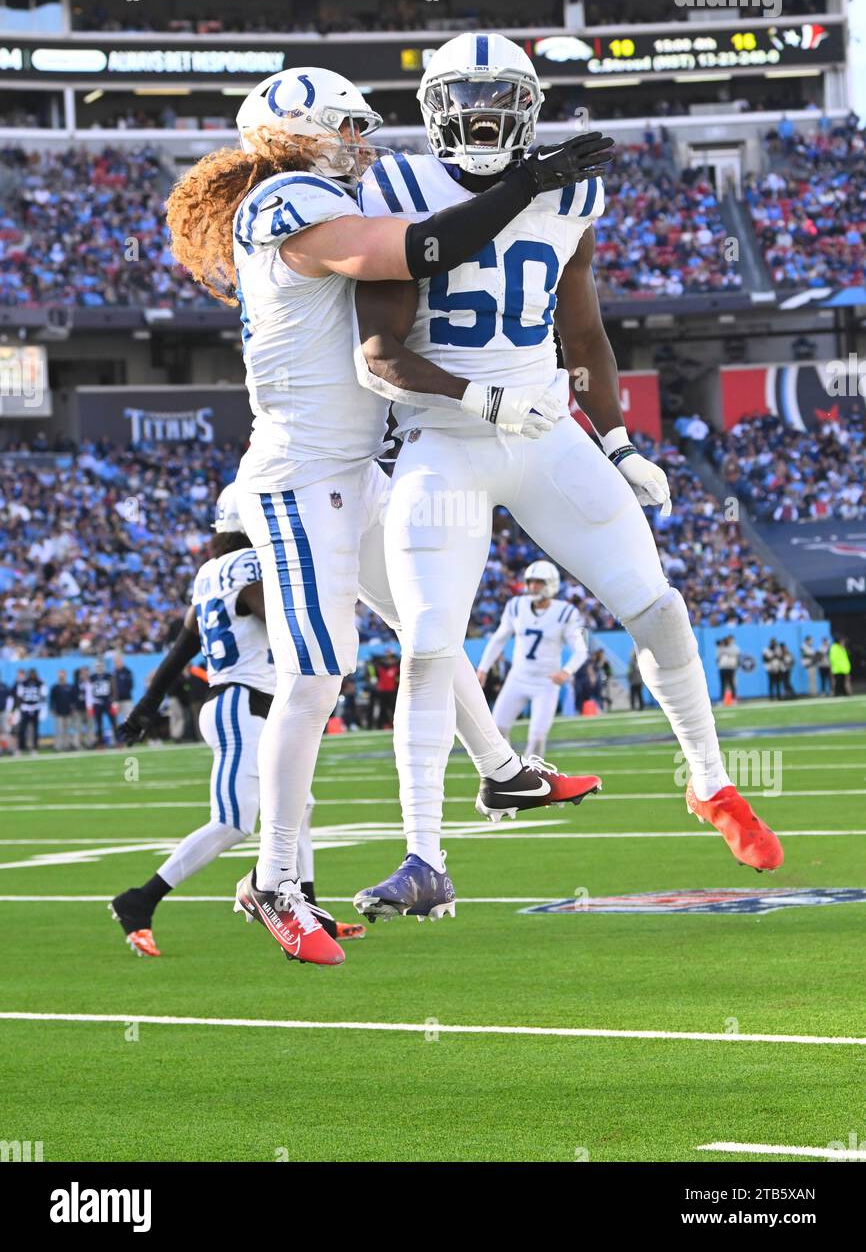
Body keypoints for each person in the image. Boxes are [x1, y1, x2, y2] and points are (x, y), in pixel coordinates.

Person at [165, 64, 610, 964]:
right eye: (348, 127)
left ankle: (504, 770)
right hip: (298, 474)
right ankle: (277, 881)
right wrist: (526, 182)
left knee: (426, 631)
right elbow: (418, 251)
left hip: (353, 466)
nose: (363, 143)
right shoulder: (286, 197)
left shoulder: (312, 191)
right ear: (297, 133)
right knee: (316, 678)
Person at [350, 32, 783, 923]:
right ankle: (425, 856)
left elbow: (583, 336)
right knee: (431, 646)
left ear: (527, 107)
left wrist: (619, 442)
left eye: (497, 99)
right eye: (462, 100)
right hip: (445, 437)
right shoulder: (393, 187)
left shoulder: (572, 189)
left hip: (548, 431)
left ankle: (710, 783)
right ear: (432, 108)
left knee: (659, 604)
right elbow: (380, 355)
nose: (478, 117)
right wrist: (482, 399)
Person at [109, 484, 364, 958]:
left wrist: (147, 706)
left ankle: (306, 910)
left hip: (256, 705)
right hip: (239, 705)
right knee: (233, 821)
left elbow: (182, 648)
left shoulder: (210, 572)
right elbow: (282, 619)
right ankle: (138, 902)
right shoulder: (250, 567)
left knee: (298, 808)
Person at [476, 561, 593, 766]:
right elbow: (499, 638)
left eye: (539, 582)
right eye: (530, 582)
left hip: (546, 683)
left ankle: (534, 780)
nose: (533, 587)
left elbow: (581, 650)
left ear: (551, 584)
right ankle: (507, 773)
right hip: (518, 678)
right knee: (497, 729)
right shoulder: (516, 606)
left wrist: (567, 671)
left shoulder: (565, 612)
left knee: (538, 737)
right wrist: (483, 668)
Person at [15, 668, 45, 754]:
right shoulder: (23, 683)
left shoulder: (40, 683)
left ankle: (34, 748)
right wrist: (19, 708)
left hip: (36, 707)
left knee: (35, 730)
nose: (32, 675)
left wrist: (42, 708)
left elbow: (43, 696)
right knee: (22, 729)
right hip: (25, 707)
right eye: (31, 673)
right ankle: (20, 748)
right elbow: (19, 696)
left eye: (34, 673)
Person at [89, 658, 115, 747]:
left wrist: (114, 701)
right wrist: (90, 704)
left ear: (103, 667)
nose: (99, 668)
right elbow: (89, 691)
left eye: (101, 666)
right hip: (97, 703)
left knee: (113, 722)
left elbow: (113, 688)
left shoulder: (108, 676)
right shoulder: (92, 677)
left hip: (108, 702)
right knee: (99, 724)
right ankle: (100, 743)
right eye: (97, 666)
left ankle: (117, 741)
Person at [49, 670, 77, 751]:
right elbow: (52, 700)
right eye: (60, 675)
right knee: (59, 730)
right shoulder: (55, 687)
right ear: (58, 676)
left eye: (63, 675)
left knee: (67, 730)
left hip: (68, 712)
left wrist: (73, 709)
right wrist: (52, 709)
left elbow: (73, 700)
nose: (61, 677)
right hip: (58, 712)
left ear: (65, 676)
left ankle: (66, 745)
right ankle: (58, 746)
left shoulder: (69, 687)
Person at [716, 634, 740, 702]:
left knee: (732, 684)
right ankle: (722, 699)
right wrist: (722, 646)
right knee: (723, 684)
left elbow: (735, 653)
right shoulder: (721, 647)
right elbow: (717, 657)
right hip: (723, 668)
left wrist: (724, 647)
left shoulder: (734, 647)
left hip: (731, 668)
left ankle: (734, 699)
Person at [112, 653, 134, 726]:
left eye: (118, 661)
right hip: (116, 701)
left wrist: (123, 692)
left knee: (128, 718)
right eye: (115, 662)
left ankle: (130, 735)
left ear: (122, 661)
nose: (117, 663)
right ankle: (118, 735)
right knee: (115, 720)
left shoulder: (127, 672)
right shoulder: (113, 673)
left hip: (126, 699)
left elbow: (130, 685)